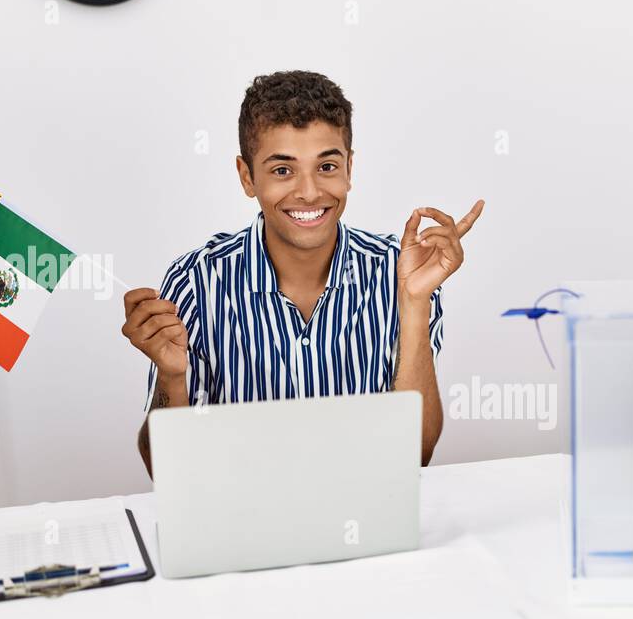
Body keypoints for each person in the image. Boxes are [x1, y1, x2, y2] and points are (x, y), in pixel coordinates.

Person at [121, 70, 484, 474]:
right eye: (282, 171)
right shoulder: (196, 280)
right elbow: (167, 470)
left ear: (349, 167)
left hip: (365, 520)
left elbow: (416, 454)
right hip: (241, 523)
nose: (309, 192)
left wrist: (415, 304)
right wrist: (173, 378)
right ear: (247, 177)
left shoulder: (397, 270)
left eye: (326, 166)